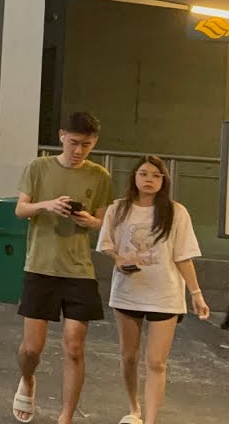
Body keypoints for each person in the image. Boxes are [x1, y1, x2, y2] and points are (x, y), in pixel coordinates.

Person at [11, 111, 112, 424]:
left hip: (80, 271)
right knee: (31, 349)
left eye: (87, 145)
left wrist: (89, 221)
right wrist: (48, 205)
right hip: (41, 266)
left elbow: (103, 221)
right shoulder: (38, 167)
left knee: (74, 346)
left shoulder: (100, 176)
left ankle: (65, 416)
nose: (79, 150)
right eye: (74, 143)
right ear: (61, 136)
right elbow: (20, 209)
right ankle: (27, 379)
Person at [97, 155, 210, 424]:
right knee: (128, 357)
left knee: (157, 362)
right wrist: (118, 259)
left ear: (164, 181)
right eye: (144, 174)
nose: (149, 179)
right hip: (127, 292)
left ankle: (151, 420)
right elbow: (106, 244)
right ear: (134, 177)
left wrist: (196, 294)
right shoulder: (118, 209)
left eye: (156, 175)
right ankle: (133, 408)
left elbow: (183, 255)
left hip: (165, 295)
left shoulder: (176, 211)